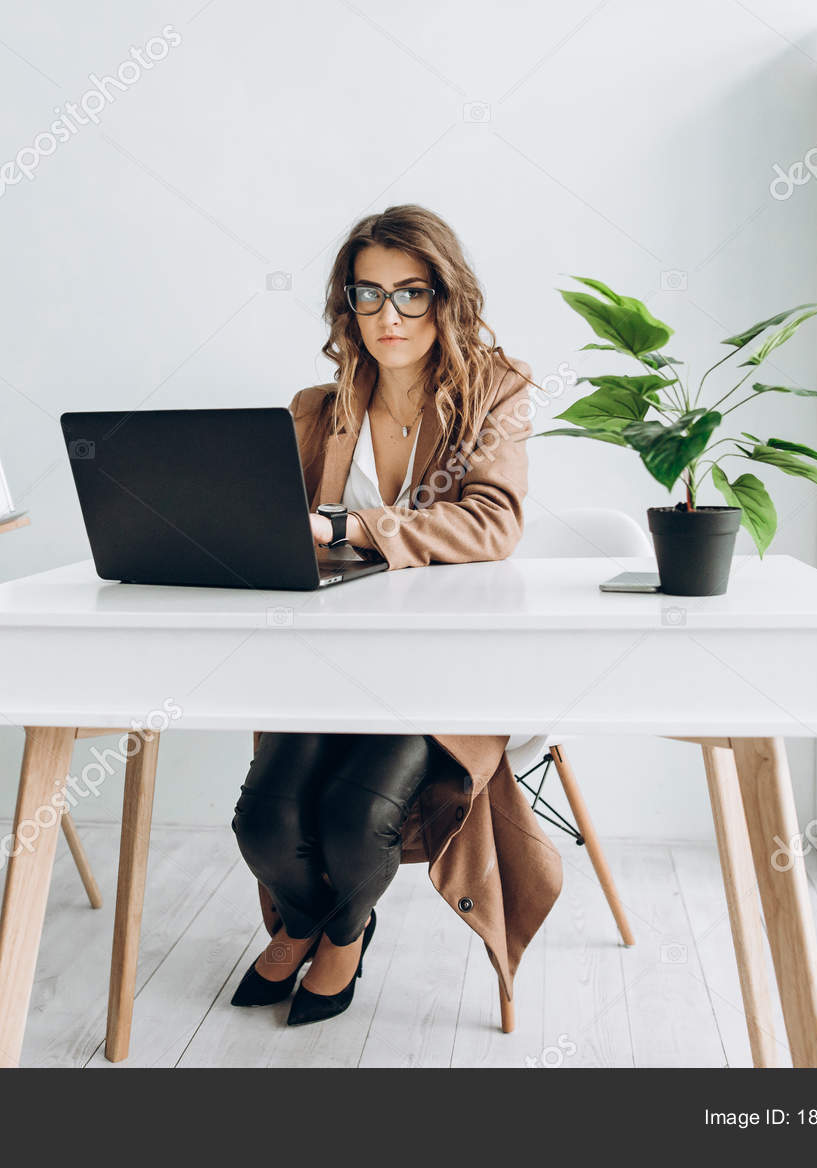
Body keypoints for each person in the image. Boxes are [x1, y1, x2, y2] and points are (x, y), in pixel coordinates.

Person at [229, 204, 563, 1027]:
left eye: (410, 293)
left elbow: (491, 522)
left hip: (446, 665)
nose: (389, 316)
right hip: (334, 660)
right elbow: (280, 531)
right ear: (348, 306)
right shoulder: (319, 407)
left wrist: (353, 525)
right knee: (263, 822)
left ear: (446, 297)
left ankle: (343, 934)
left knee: (354, 820)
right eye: (368, 295)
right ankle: (308, 917)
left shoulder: (497, 389)